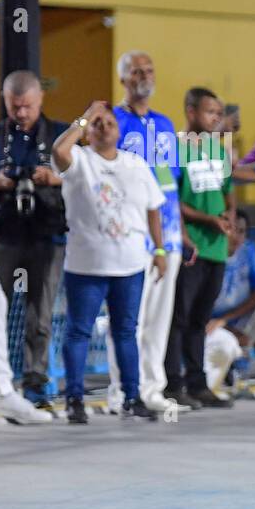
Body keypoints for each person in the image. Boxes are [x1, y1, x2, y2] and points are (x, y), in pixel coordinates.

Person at [52, 102, 168, 424]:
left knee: (126, 332)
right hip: (86, 267)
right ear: (87, 132)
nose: (103, 127)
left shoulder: (136, 165)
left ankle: (132, 396)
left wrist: (159, 251)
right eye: (96, 124)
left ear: (119, 131)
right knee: (79, 332)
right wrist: (85, 114)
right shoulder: (79, 162)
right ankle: (74, 399)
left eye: (108, 123)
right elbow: (60, 148)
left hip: (130, 266)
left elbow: (154, 209)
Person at [0, 70, 69, 413]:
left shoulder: (60, 135)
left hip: (47, 236)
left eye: (27, 106)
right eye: (15, 107)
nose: (22, 114)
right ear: (5, 100)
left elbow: (85, 178)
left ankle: (35, 384)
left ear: (40, 99)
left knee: (39, 316)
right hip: (4, 236)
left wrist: (54, 180)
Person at [109, 50, 188, 413]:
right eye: (136, 71)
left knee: (159, 319)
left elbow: (171, 185)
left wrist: (181, 234)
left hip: (167, 237)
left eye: (149, 70)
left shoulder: (166, 125)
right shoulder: (112, 122)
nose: (144, 76)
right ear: (123, 78)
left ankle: (153, 388)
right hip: (130, 235)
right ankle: (122, 390)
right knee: (129, 318)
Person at [165, 87, 235, 408]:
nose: (216, 119)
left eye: (219, 114)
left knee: (200, 319)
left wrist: (229, 223)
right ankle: (172, 383)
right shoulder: (176, 148)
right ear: (192, 112)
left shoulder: (220, 151)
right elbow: (174, 200)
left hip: (217, 248)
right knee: (179, 318)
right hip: (191, 246)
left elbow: (228, 191)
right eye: (210, 112)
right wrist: (207, 221)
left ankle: (198, 383)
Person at [204, 212, 255, 400]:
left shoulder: (248, 250)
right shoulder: (209, 252)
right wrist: (225, 325)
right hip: (211, 325)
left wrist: (228, 321)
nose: (237, 237)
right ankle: (222, 375)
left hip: (237, 320)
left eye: (242, 231)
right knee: (224, 344)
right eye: (233, 230)